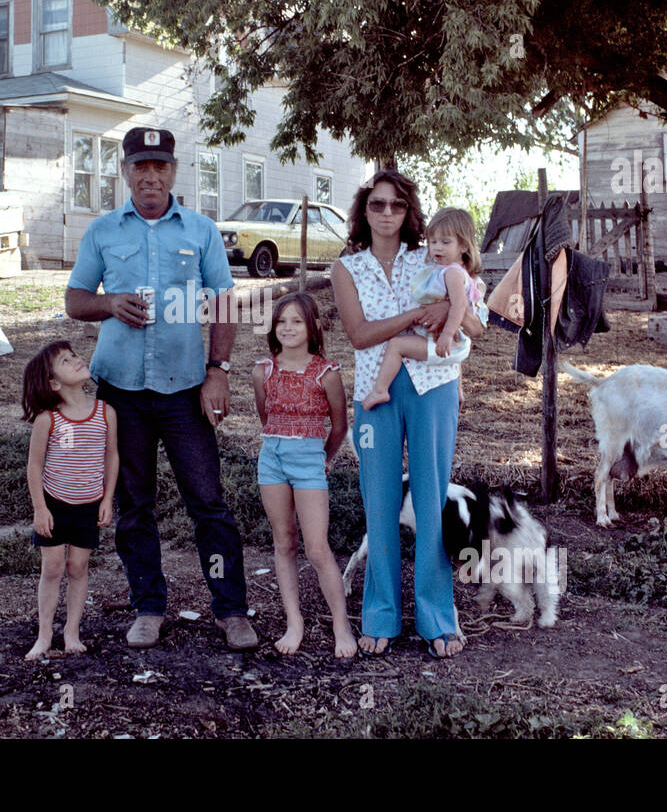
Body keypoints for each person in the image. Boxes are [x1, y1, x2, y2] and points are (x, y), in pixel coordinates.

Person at [65, 127, 257, 652]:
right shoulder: (104, 231)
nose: (151, 176)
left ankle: (232, 609)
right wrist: (109, 303)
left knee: (209, 501)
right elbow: (75, 299)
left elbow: (223, 302)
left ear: (174, 171)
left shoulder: (200, 231)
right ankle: (148, 607)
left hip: (185, 389)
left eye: (161, 167)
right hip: (119, 391)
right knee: (134, 504)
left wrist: (218, 369)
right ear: (125, 172)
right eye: (140, 167)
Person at [330, 170, 486, 658]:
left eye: (397, 205)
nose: (387, 214)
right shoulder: (347, 268)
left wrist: (453, 357)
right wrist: (418, 318)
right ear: (364, 211)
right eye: (377, 205)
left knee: (430, 501)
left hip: (433, 387)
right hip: (376, 392)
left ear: (408, 212)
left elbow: (466, 322)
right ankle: (380, 615)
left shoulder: (432, 255)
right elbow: (358, 335)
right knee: (379, 504)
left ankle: (436, 618)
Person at [252, 292, 356, 658]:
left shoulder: (326, 373)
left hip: (310, 462)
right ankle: (293, 621)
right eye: (282, 321)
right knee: (284, 541)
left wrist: (322, 460)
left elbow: (340, 427)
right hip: (272, 462)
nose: (288, 328)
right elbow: (267, 418)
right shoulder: (263, 370)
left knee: (317, 547)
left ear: (312, 327)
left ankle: (340, 623)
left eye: (297, 321)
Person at [20, 341, 118, 661]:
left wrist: (107, 499)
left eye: (74, 355)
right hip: (55, 503)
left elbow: (111, 456)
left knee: (78, 566)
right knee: (53, 567)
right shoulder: (48, 419)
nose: (76, 361)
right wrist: (39, 508)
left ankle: (72, 631)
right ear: (53, 383)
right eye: (66, 360)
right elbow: (34, 465)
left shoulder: (106, 412)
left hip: (88, 504)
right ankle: (44, 633)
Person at [361, 207, 485, 410]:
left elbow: (459, 306)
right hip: (449, 341)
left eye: (446, 242)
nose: (438, 248)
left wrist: (447, 333)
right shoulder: (453, 270)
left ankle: (380, 390)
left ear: (463, 246)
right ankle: (458, 389)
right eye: (433, 242)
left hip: (446, 340)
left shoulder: (453, 274)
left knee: (396, 345)